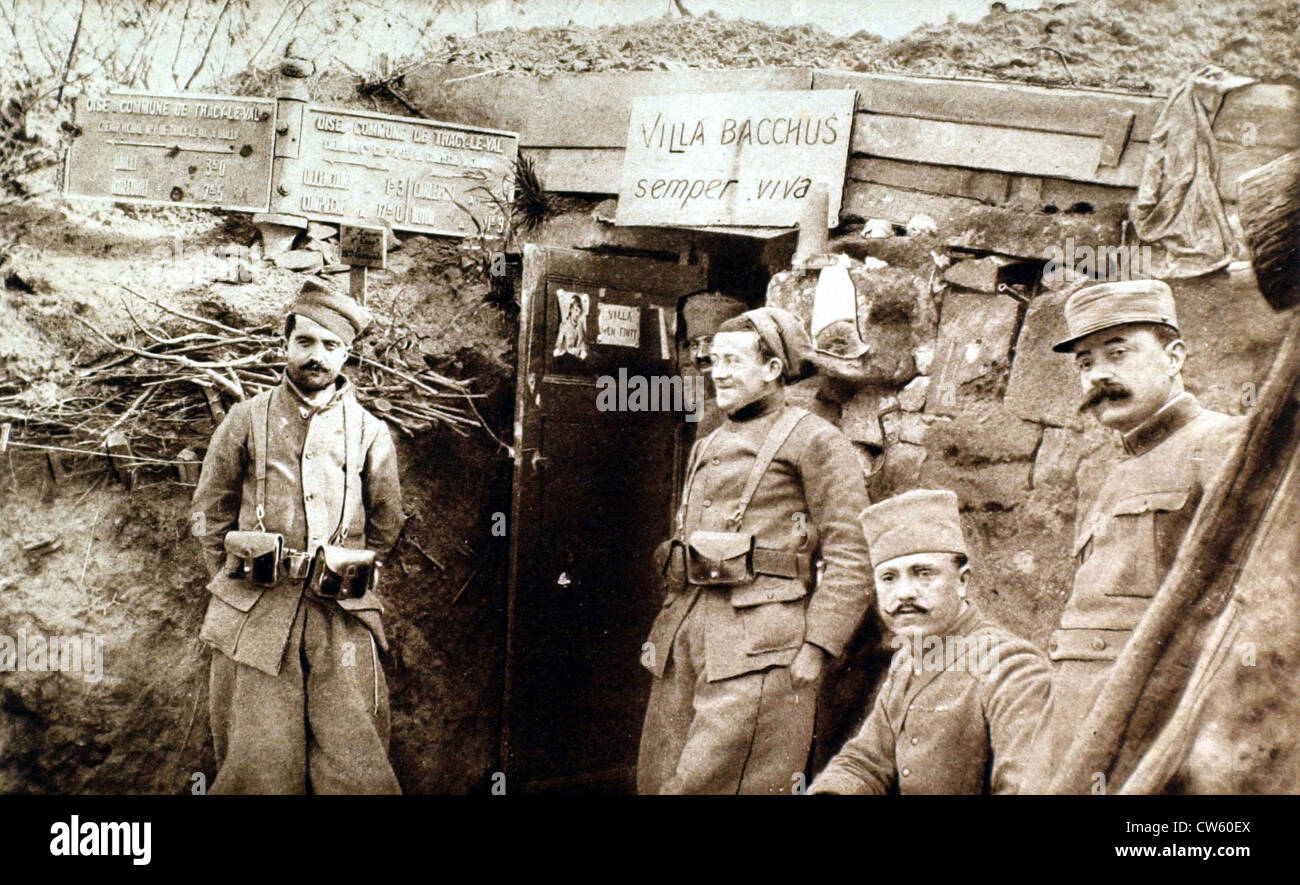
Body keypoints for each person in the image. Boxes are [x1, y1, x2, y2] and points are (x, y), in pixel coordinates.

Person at [1022, 279, 1246, 792]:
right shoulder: (1113, 467)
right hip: (1078, 718)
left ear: (1174, 357)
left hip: (1149, 723)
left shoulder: (1223, 444)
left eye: (1118, 353)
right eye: (1084, 363)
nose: (1099, 374)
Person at [636, 306, 872, 794]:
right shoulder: (710, 440)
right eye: (714, 360)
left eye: (734, 361)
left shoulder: (817, 441)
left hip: (761, 649)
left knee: (714, 784)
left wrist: (818, 646)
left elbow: (853, 552)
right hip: (685, 637)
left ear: (772, 370)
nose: (719, 372)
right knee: (659, 778)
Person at [191, 279, 405, 794]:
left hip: (340, 614)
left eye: (331, 346)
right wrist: (235, 581)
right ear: (284, 344)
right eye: (305, 342)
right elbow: (209, 512)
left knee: (355, 760)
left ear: (346, 356)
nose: (317, 356)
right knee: (258, 761)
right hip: (258, 613)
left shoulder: (369, 431)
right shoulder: (246, 420)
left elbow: (387, 521)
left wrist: (348, 564)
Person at [809, 489, 1050, 794]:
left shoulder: (1012, 668)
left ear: (962, 581)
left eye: (923, 573)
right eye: (888, 578)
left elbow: (1027, 787)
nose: (904, 593)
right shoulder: (909, 661)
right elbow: (865, 762)